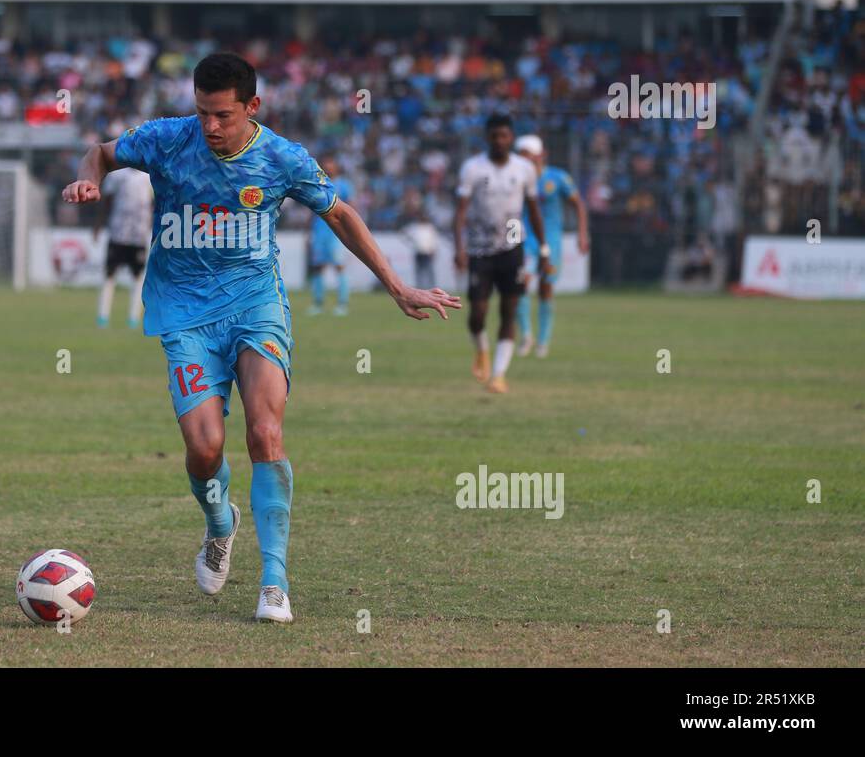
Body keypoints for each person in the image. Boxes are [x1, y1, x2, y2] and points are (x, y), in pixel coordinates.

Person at [62, 52, 461, 623]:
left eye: (222, 115)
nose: (210, 127)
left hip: (256, 307)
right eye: (202, 113)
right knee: (203, 449)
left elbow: (340, 214)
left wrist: (396, 285)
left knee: (264, 430)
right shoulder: (168, 140)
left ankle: (274, 581)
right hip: (184, 315)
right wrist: (88, 179)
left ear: (253, 106)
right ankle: (221, 524)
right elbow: (99, 152)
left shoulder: (281, 157)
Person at [453, 115, 547, 394]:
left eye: (504, 136)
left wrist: (543, 249)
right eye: (494, 136)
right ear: (487, 138)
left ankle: (498, 375)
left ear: (511, 138)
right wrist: (459, 248)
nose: (500, 141)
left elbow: (533, 209)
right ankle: (481, 349)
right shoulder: (472, 168)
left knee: (509, 310)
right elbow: (460, 212)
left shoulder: (525, 169)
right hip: (480, 250)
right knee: (478, 313)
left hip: (513, 248)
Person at [514, 135, 590, 357]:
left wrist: (581, 234)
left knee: (545, 289)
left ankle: (543, 341)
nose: (522, 159)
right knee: (521, 282)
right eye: (520, 155)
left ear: (540, 155)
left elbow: (579, 205)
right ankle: (526, 335)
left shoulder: (558, 178)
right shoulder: (516, 179)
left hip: (552, 242)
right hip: (526, 240)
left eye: (526, 154)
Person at [95, 164, 153, 329]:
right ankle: (102, 317)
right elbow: (107, 201)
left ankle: (133, 318)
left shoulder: (148, 176)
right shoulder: (116, 175)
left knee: (138, 276)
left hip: (139, 234)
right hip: (118, 233)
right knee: (109, 274)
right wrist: (98, 224)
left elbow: (154, 203)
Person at [306, 156, 353, 316]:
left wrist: (349, 230)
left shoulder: (344, 185)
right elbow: (312, 209)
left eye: (330, 165)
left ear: (337, 167)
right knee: (318, 268)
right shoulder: (318, 183)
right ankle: (318, 304)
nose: (328, 168)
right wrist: (309, 231)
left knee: (339, 267)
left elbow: (351, 209)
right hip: (319, 232)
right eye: (325, 165)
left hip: (336, 233)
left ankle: (342, 304)